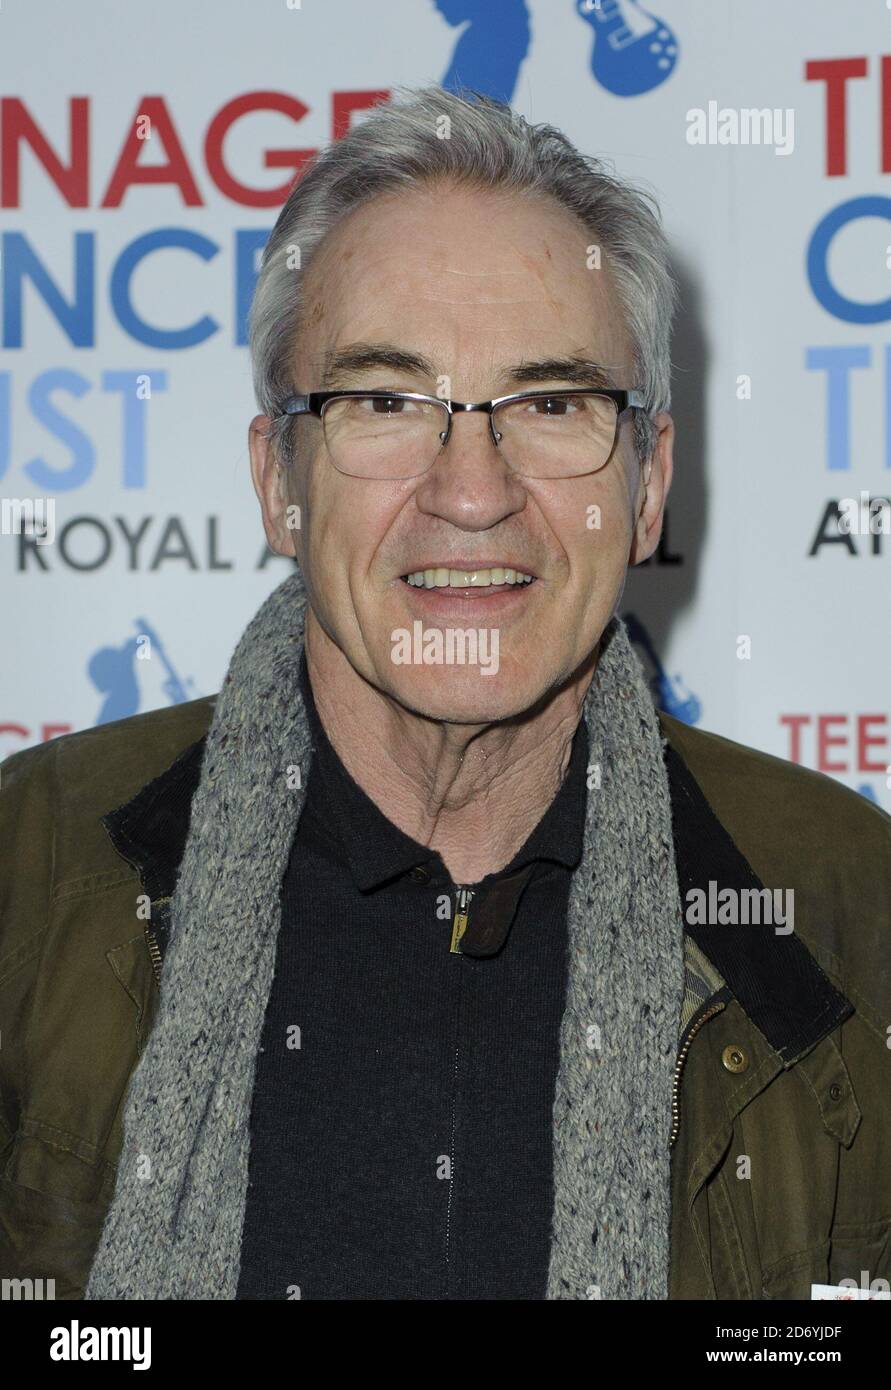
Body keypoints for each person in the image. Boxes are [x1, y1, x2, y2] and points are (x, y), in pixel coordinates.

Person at [1, 84, 889, 1303]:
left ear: (646, 484)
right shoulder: (25, 873)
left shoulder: (853, 910)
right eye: (384, 402)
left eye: (552, 403)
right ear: (279, 482)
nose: (471, 492)